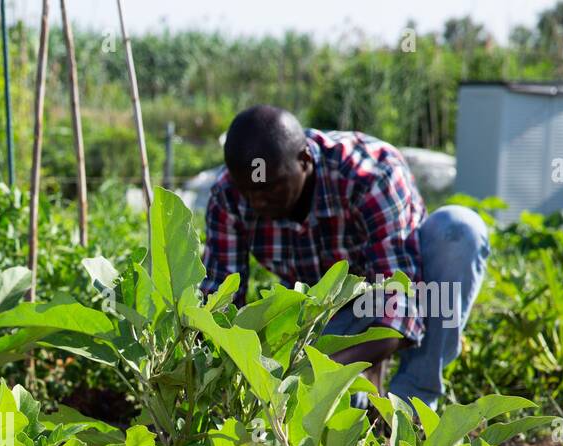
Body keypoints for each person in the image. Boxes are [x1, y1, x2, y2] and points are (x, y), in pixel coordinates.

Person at [200, 105, 490, 410]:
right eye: (248, 192)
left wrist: (323, 369)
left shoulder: (369, 174)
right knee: (331, 404)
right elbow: (221, 302)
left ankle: (413, 402)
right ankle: (367, 407)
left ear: (304, 160)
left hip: (413, 287)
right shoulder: (230, 194)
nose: (257, 202)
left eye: (270, 189)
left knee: (458, 231)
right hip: (328, 307)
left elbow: (399, 302)